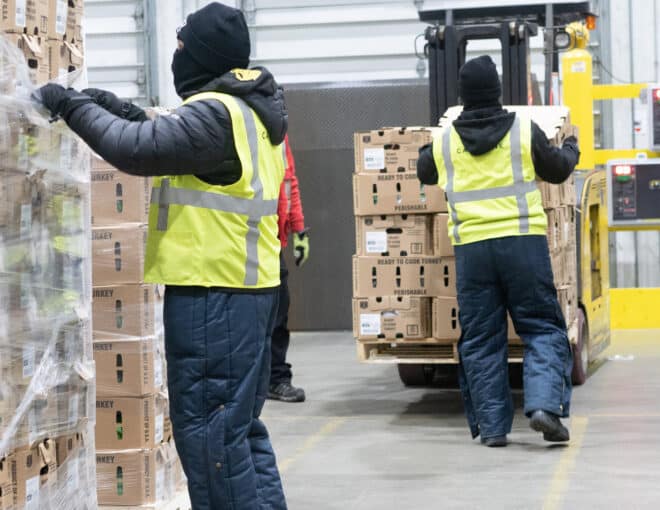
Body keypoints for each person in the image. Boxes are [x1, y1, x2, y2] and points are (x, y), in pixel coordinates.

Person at [37, 3, 289, 508]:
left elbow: (138, 149)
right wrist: (116, 107)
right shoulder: (248, 111)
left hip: (215, 297)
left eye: (180, 47)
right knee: (238, 433)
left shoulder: (218, 115)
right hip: (247, 293)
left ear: (202, 55)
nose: (175, 55)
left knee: (211, 439)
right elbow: (163, 133)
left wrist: (71, 106)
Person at [417, 55, 580, 447]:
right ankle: (543, 407)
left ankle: (492, 428)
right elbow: (557, 169)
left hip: (473, 252)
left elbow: (424, 170)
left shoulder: (446, 142)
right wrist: (572, 148)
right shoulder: (523, 131)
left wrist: (432, 146)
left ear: (462, 95)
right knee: (541, 327)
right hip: (522, 244)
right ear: (497, 91)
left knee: (481, 338)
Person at [268, 135, 309, 403]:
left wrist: (299, 229)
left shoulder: (279, 135)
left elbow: (289, 181)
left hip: (272, 240)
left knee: (279, 314)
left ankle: (277, 379)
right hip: (240, 238)